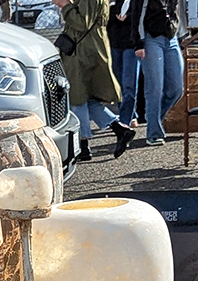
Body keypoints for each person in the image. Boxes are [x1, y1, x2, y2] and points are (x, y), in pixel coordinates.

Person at [52, 0, 135, 161]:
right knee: (86, 98)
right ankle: (119, 129)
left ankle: (83, 146)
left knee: (78, 97)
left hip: (83, 51)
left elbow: (82, 22)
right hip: (88, 47)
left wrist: (65, 6)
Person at [130, 0, 183, 146]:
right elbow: (137, 15)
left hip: (171, 38)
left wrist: (182, 35)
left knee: (176, 89)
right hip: (151, 39)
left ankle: (154, 119)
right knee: (155, 88)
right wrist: (138, 43)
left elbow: (177, 11)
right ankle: (154, 133)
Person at [108, 0, 140, 129]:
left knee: (129, 84)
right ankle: (131, 114)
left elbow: (140, 17)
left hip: (131, 44)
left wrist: (127, 18)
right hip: (115, 43)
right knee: (118, 83)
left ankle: (125, 119)